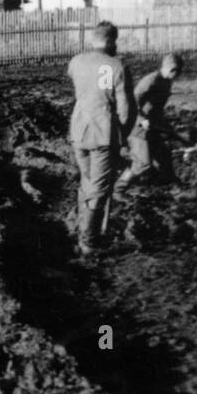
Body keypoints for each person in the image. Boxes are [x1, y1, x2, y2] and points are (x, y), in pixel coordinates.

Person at [67, 21, 135, 255]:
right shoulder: (117, 66)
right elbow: (125, 110)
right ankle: (89, 242)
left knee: (87, 182)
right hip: (103, 135)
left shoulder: (76, 62)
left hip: (78, 131)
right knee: (99, 189)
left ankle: (82, 229)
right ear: (113, 41)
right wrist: (122, 136)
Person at [116, 53, 182, 192]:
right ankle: (118, 189)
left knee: (164, 156)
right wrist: (142, 119)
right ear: (173, 70)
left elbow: (156, 108)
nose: (178, 76)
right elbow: (131, 102)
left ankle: (169, 187)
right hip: (138, 127)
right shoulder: (151, 81)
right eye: (178, 72)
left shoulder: (166, 81)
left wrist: (165, 126)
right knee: (142, 163)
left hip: (151, 126)